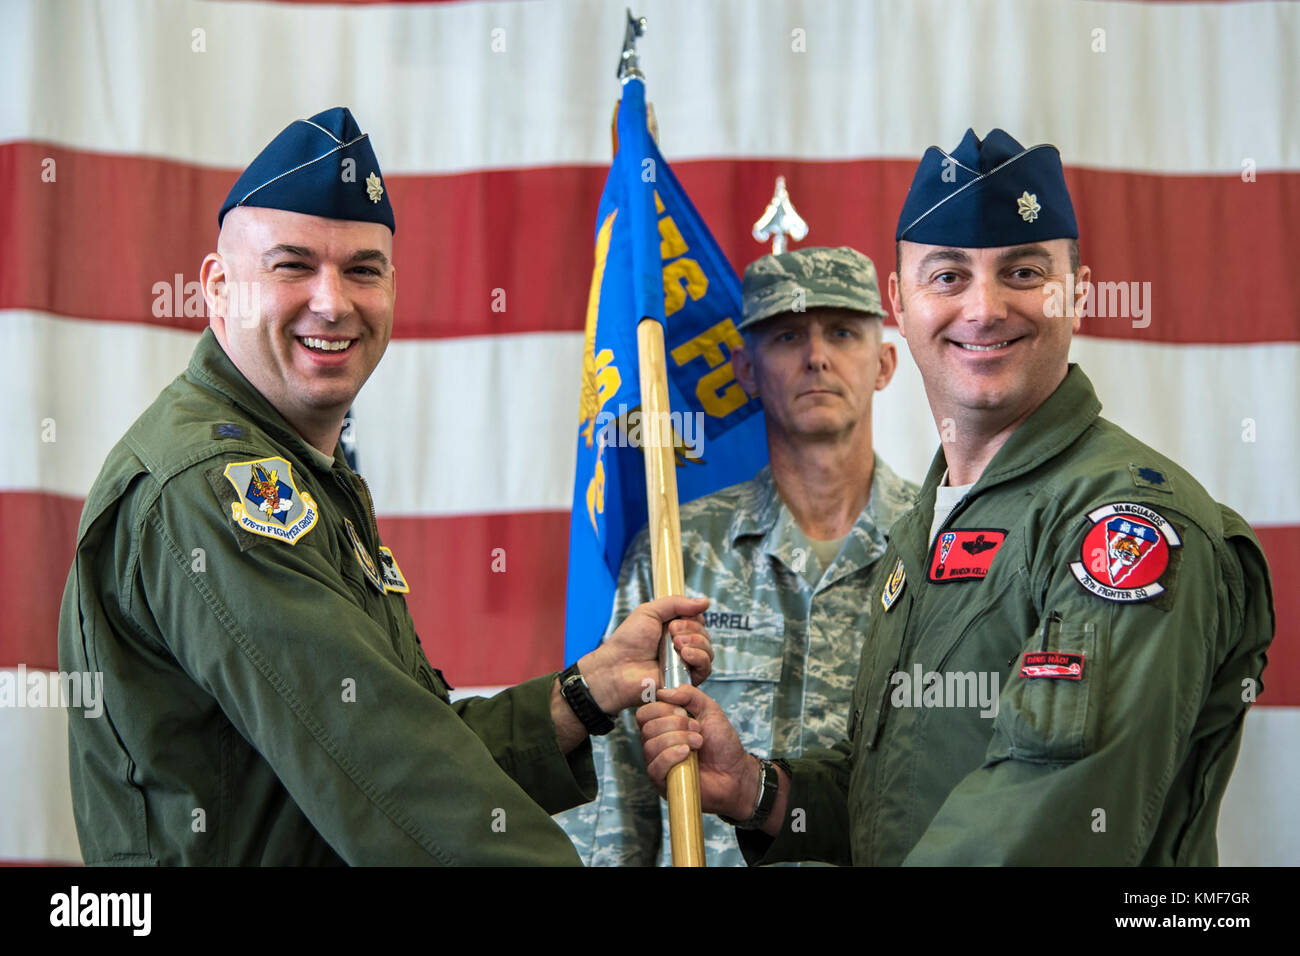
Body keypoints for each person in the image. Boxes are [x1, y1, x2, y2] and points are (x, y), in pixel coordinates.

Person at [56, 107, 713, 866]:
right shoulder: (217, 487)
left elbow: (403, 747)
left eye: (362, 269)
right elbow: (388, 774)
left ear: (392, 288)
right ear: (217, 286)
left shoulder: (304, 473)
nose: (332, 302)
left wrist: (580, 694)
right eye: (292, 265)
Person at [638, 128, 1275, 865]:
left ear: (1080, 293)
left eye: (1024, 272)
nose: (984, 309)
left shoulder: (1122, 523)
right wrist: (760, 792)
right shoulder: (925, 527)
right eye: (947, 276)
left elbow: (1037, 828)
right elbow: (897, 798)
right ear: (899, 305)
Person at [555, 247, 918, 865]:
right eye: (786, 335)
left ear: (884, 363)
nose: (817, 356)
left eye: (842, 332)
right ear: (745, 369)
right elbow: (618, 795)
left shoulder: (938, 546)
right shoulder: (676, 555)